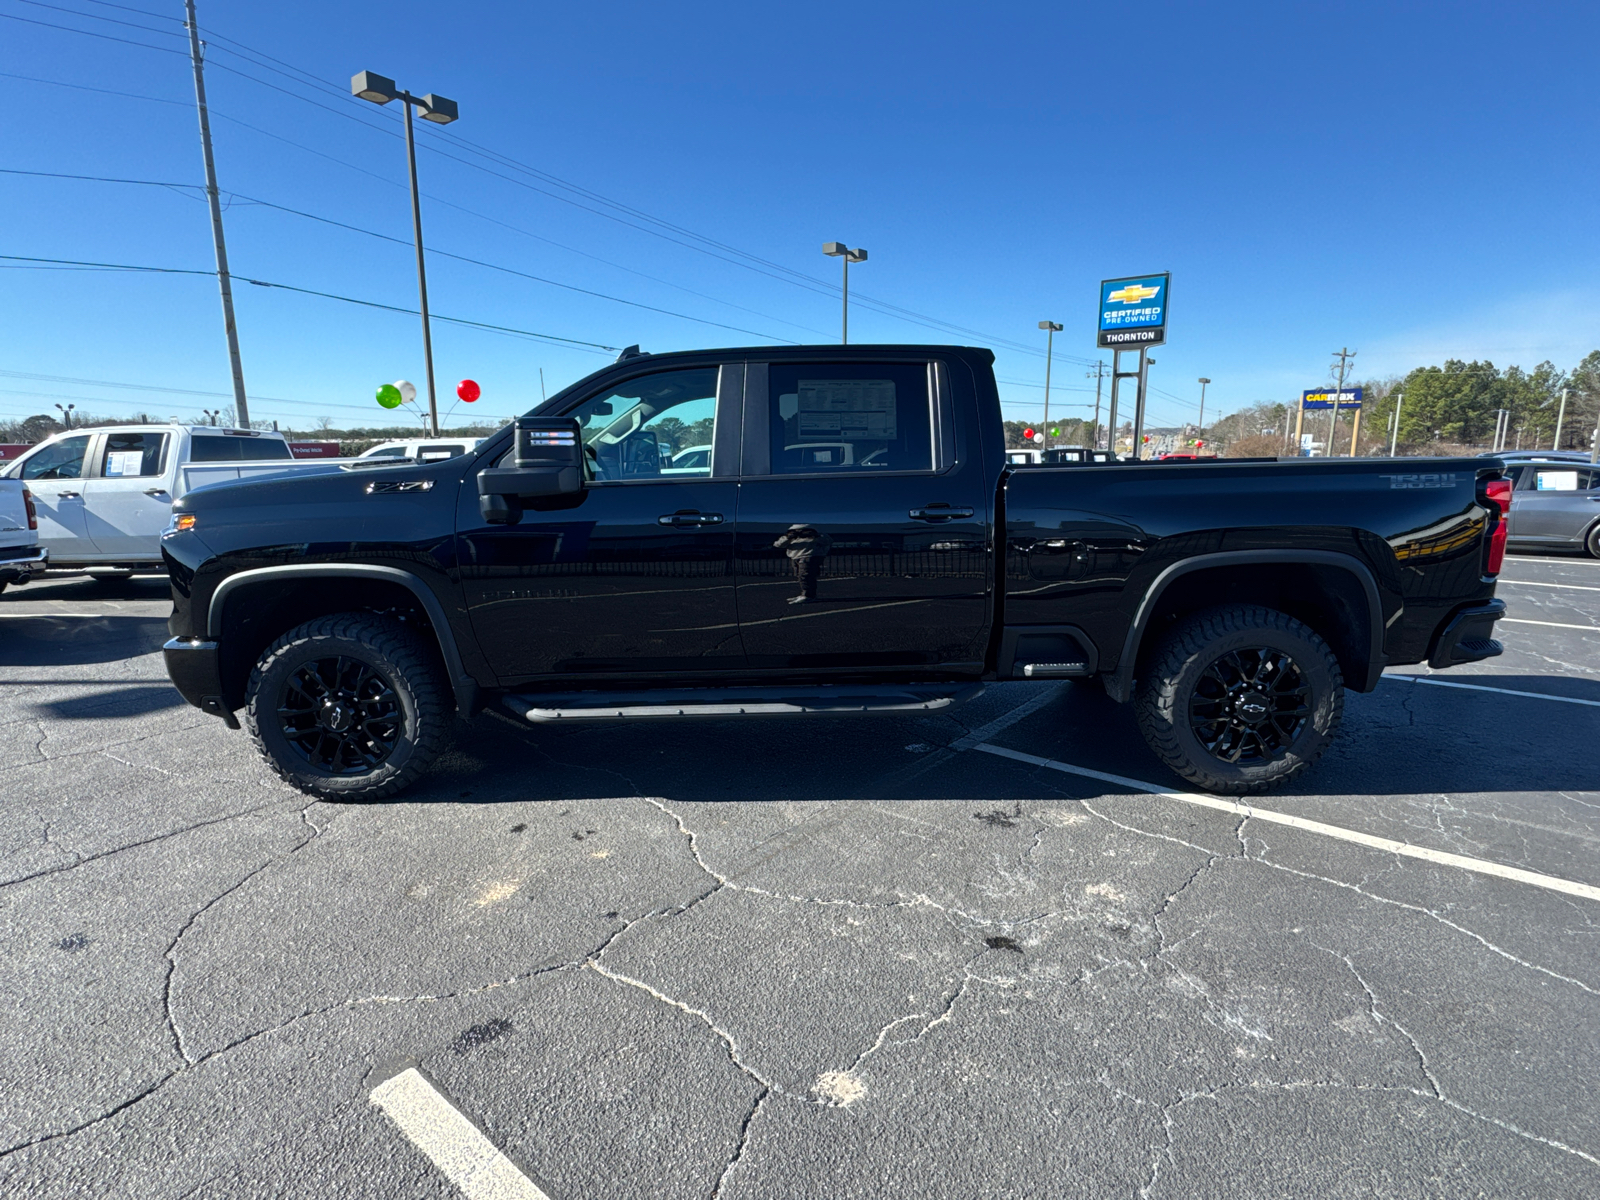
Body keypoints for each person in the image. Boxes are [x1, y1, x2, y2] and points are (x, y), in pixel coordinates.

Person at [773, 523, 832, 604]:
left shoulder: (818, 536)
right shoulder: (791, 538)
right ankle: (805, 594)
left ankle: (808, 596)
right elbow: (777, 545)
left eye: (803, 531)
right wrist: (788, 537)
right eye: (796, 531)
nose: (800, 533)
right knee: (800, 576)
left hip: (810, 556)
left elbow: (828, 541)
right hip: (795, 557)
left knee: (805, 575)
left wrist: (815, 535)